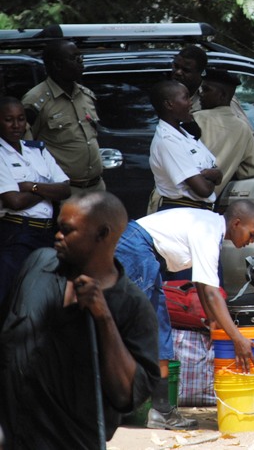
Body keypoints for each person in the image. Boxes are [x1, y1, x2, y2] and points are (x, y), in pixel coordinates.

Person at [0, 192, 159, 449]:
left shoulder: (133, 307)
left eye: (67, 230)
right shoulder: (38, 265)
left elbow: (128, 395)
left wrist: (103, 317)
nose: (57, 236)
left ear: (103, 234)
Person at [115, 199, 254, 428]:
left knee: (151, 327)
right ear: (236, 223)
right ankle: (157, 410)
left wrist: (213, 320)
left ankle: (156, 408)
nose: (251, 240)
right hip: (136, 249)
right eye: (251, 233)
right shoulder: (208, 232)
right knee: (153, 327)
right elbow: (213, 293)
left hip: (136, 246)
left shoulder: (210, 226)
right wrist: (237, 339)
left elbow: (202, 285)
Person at [0, 97, 71, 305]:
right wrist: (47, 188)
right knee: (9, 291)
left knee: (45, 292)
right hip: (17, 232)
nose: (16, 125)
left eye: (21, 119)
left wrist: (31, 187)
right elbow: (14, 201)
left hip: (47, 231)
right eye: (8, 119)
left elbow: (65, 188)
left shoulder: (37, 149)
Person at [172, 46, 254, 175]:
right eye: (176, 67)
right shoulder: (172, 96)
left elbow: (249, 135)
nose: (178, 72)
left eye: (186, 70)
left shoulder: (218, 98)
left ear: (200, 73)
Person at [22, 39, 106, 196]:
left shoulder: (86, 95)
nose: (80, 62)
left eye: (81, 56)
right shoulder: (36, 101)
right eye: (74, 58)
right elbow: (26, 149)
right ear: (57, 65)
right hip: (66, 192)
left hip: (96, 187)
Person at [148, 80, 222, 212]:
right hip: (182, 211)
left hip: (199, 212)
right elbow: (203, 190)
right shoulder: (167, 141)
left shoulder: (185, 134)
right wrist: (212, 176)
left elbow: (218, 174)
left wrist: (210, 174)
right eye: (185, 97)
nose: (190, 103)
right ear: (169, 104)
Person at [194, 68, 254, 197]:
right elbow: (252, 171)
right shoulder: (243, 128)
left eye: (206, 90)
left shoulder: (195, 119)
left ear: (223, 96)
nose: (201, 94)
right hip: (208, 203)